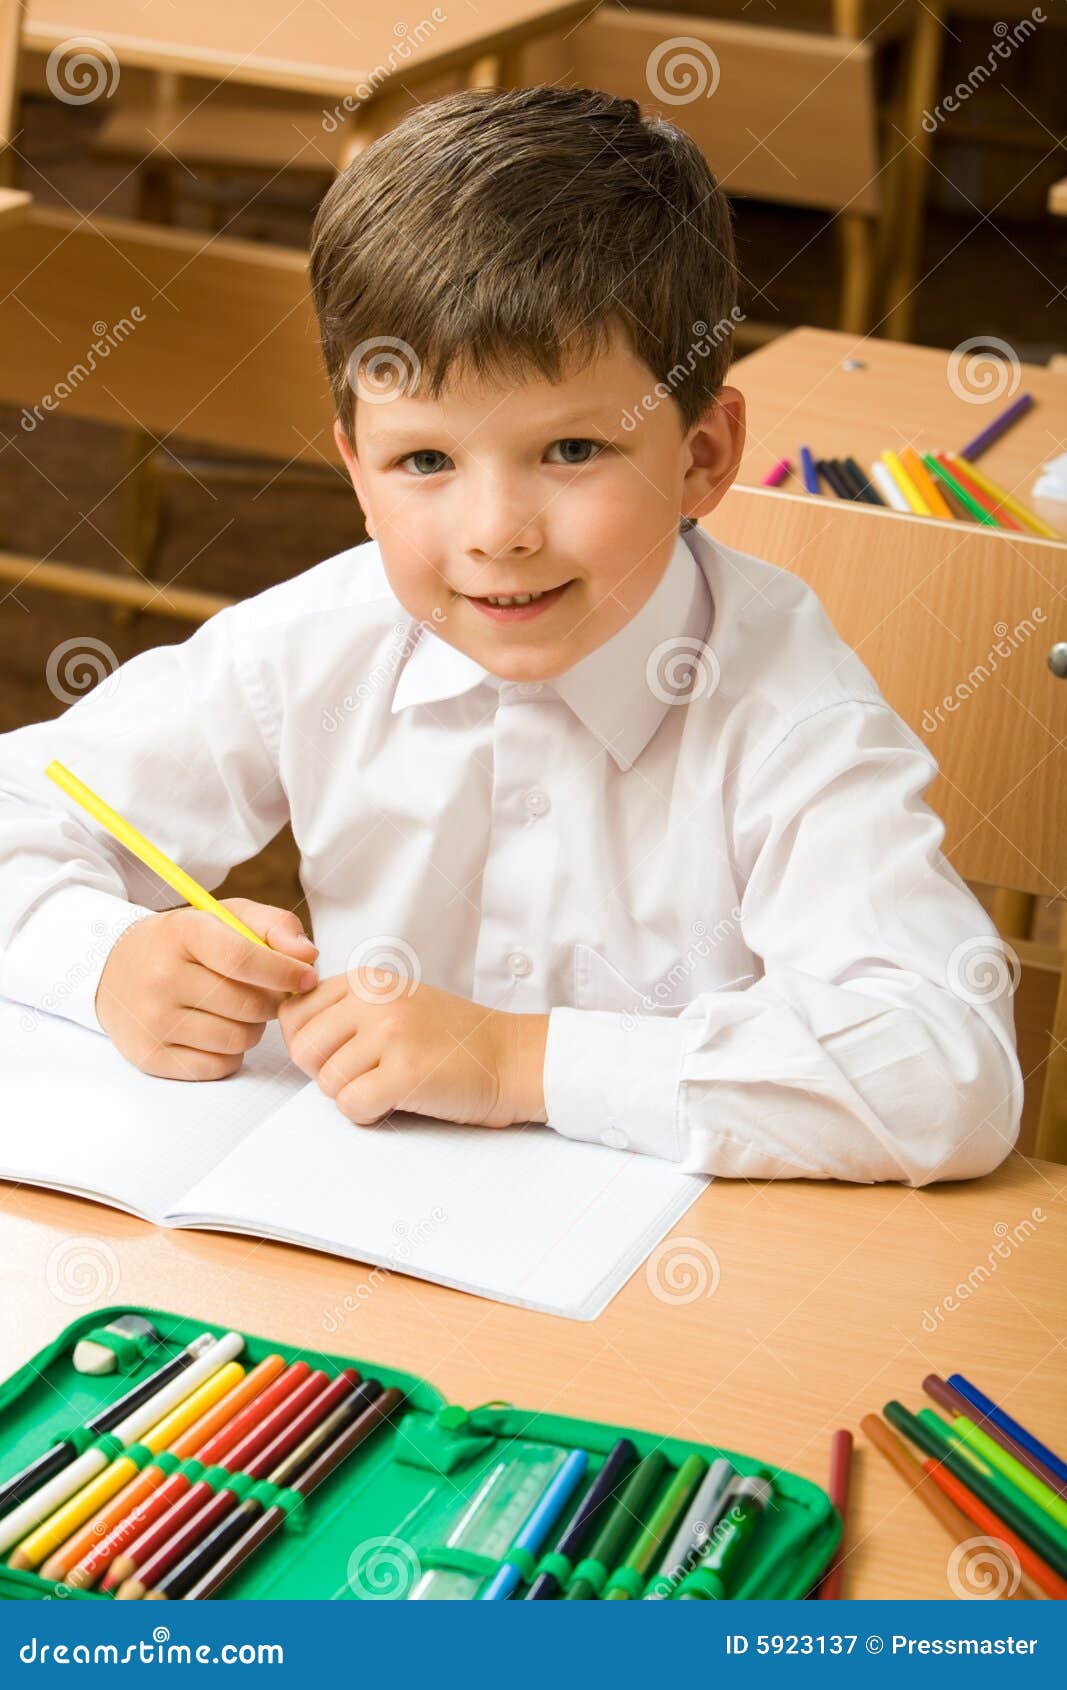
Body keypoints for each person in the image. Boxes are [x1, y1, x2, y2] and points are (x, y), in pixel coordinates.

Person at [0, 87, 1022, 1183]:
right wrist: (109, 963)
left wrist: (517, 1062)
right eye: (424, 463)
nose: (495, 535)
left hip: (668, 1300)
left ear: (704, 456)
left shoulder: (781, 701)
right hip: (359, 1245)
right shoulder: (319, 639)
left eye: (573, 449)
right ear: (355, 472)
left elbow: (948, 1070)